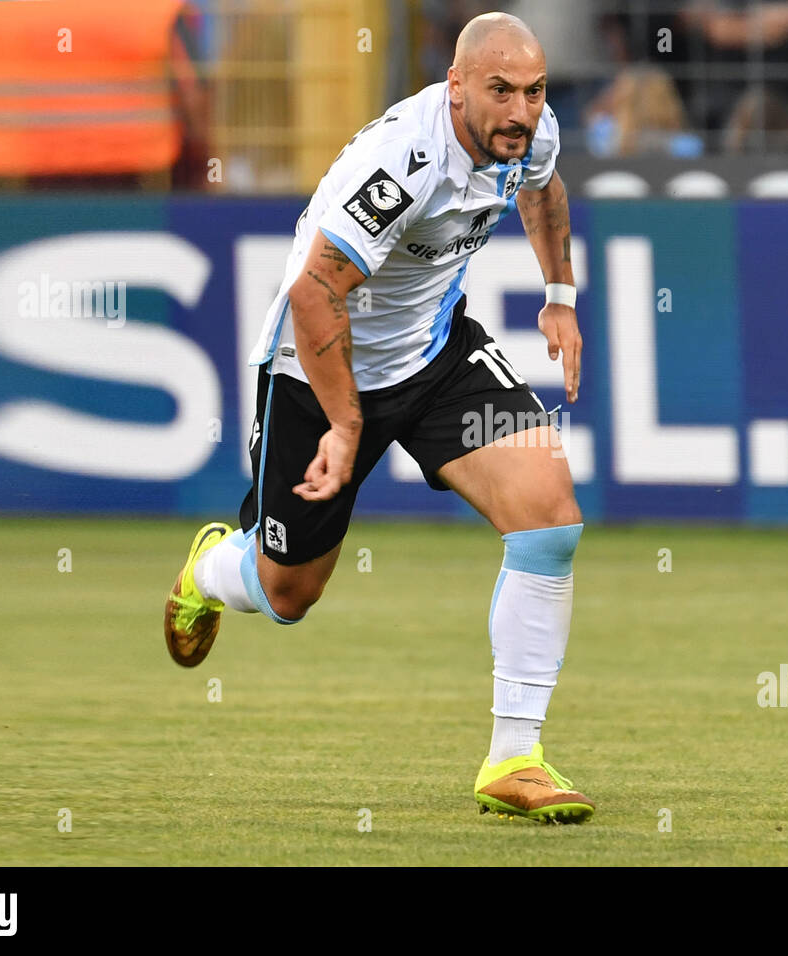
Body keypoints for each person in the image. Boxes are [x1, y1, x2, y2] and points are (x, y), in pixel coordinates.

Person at [162, 12, 594, 823]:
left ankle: (515, 759)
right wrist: (347, 423)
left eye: (533, 92)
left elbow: (544, 189)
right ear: (456, 85)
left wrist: (559, 297)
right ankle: (213, 571)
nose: (521, 111)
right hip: (316, 371)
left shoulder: (529, 133)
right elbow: (314, 291)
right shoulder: (402, 163)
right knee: (289, 592)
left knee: (550, 519)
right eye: (500, 91)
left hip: (435, 358)